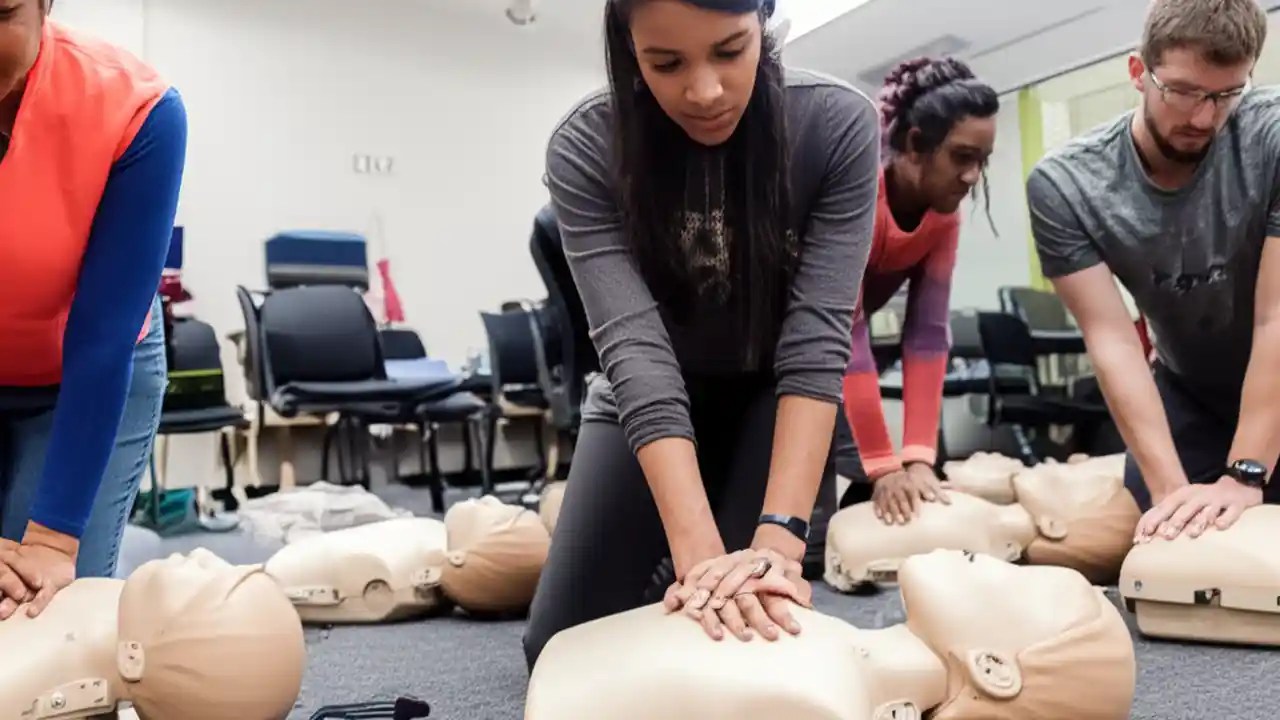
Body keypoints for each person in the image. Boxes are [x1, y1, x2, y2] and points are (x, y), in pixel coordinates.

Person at [522, 0, 879, 669]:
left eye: (729, 50)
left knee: (760, 627)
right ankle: (669, 554)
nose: (706, 91)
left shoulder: (836, 125)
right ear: (629, 50)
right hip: (644, 399)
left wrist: (779, 540)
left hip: (771, 398)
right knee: (559, 649)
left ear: (765, 26)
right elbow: (634, 351)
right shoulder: (585, 146)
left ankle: (695, 552)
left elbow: (816, 342)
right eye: (666, 63)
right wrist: (696, 553)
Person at [1026, 0, 1279, 544]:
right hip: (1186, 391)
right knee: (1161, 546)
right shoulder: (1067, 185)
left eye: (1226, 94)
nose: (1204, 118)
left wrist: (1247, 472)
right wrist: (1168, 492)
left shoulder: (1271, 137)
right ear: (1139, 72)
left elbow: (1276, 316)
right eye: (1184, 92)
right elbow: (1112, 338)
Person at [0, 0, 186, 619]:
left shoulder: (138, 112)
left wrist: (53, 538)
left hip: (86, 371)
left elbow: (102, 339)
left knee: (38, 611)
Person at [835, 57, 998, 524]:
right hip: (785, 354)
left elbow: (927, 335)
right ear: (913, 144)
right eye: (962, 157)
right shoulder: (857, 193)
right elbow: (848, 332)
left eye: (982, 161)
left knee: (909, 483)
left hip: (829, 356)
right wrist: (885, 466)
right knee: (827, 513)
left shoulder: (944, 218)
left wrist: (919, 458)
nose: (972, 176)